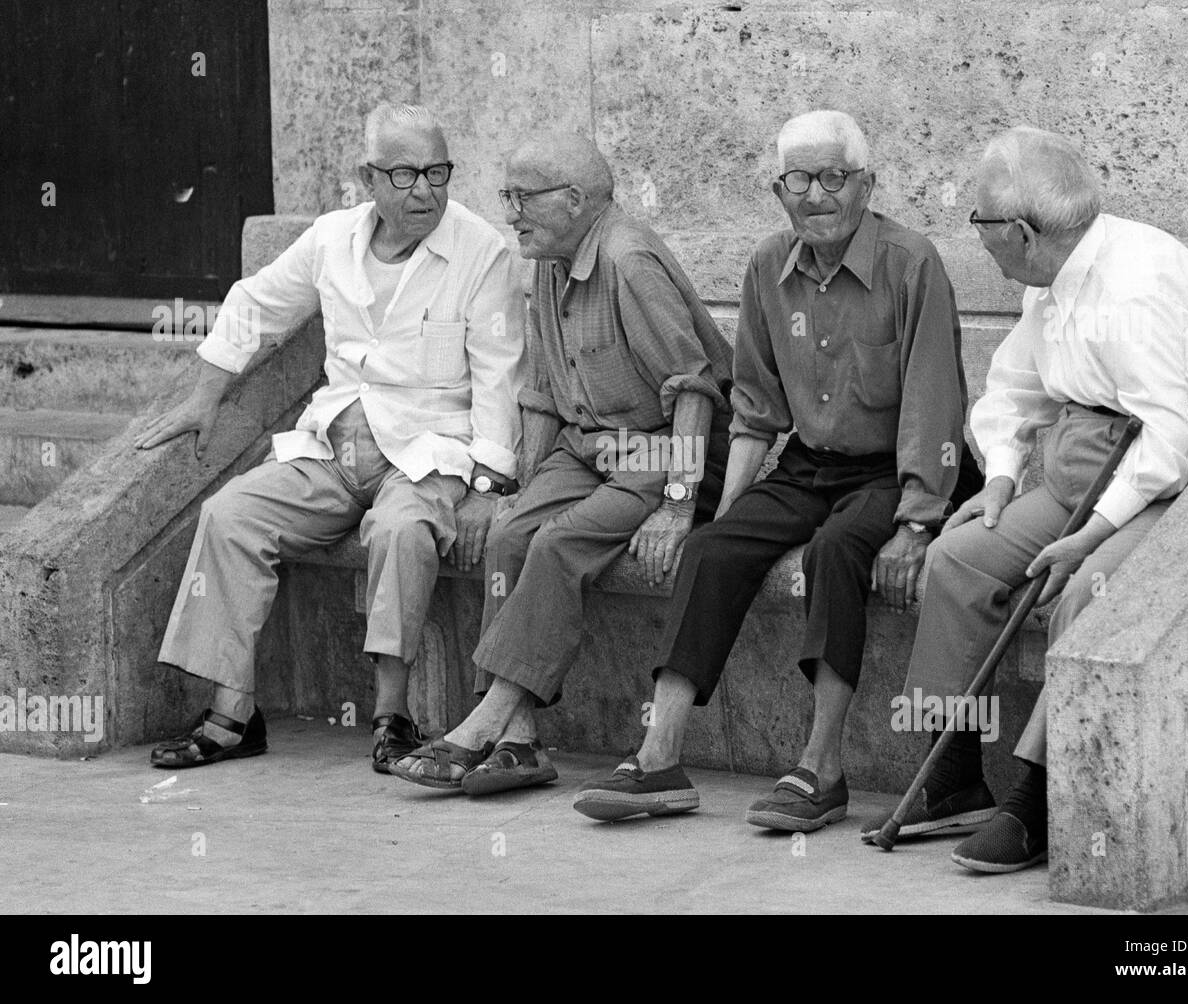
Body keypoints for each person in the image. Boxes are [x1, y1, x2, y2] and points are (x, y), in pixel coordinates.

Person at [861, 125, 1188, 872]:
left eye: (979, 221)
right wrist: (1006, 478)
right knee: (959, 558)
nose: (976, 235)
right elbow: (1014, 388)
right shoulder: (1051, 276)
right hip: (1086, 450)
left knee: (1087, 590)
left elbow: (1167, 445)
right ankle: (952, 780)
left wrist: (1085, 540)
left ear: (1018, 232)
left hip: (1179, 467)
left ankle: (1038, 801)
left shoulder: (1131, 285)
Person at [575, 110, 980, 830]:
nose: (817, 194)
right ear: (778, 189)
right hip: (810, 463)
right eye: (801, 179)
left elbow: (933, 405)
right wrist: (731, 513)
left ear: (867, 185)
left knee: (835, 553)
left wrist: (919, 521)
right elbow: (757, 411)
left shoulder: (910, 262)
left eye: (835, 177)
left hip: (901, 467)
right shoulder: (768, 265)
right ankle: (659, 756)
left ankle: (821, 767)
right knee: (711, 547)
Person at [138, 103, 524, 772]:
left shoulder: (481, 250)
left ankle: (391, 715)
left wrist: (490, 479)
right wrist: (206, 396)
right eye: (404, 175)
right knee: (229, 515)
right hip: (330, 452)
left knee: (400, 533)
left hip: (427, 454)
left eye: (438, 172)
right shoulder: (331, 238)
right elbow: (255, 303)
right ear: (366, 177)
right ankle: (233, 713)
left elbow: (500, 372)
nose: (425, 190)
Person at [388, 133, 733, 796]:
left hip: (663, 450)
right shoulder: (548, 258)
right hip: (588, 447)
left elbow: (693, 388)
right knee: (510, 533)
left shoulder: (628, 259)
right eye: (507, 197)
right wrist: (515, 488)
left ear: (574, 200)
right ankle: (520, 744)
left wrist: (680, 504)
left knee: (558, 543)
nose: (511, 212)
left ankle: (485, 722)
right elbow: (543, 393)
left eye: (523, 198)